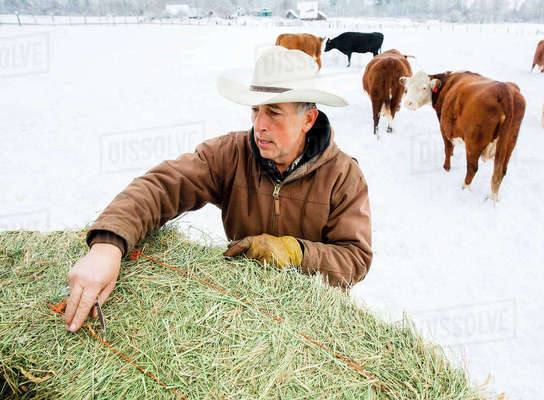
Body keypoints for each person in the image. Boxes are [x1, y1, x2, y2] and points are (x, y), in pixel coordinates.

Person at [64, 47, 372, 332]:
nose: (259, 124)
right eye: (255, 110)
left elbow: (355, 259)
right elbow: (162, 185)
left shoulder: (343, 175)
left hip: (314, 317)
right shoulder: (232, 153)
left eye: (274, 112)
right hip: (244, 309)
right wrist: (108, 244)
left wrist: (295, 253)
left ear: (308, 119)